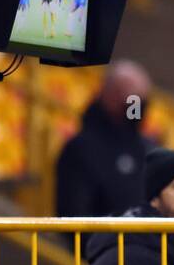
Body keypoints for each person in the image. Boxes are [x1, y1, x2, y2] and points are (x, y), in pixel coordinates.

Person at [55, 60, 155, 218]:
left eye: (140, 102)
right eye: (132, 101)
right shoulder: (81, 148)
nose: (136, 109)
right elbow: (74, 210)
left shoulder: (146, 149)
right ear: (110, 94)